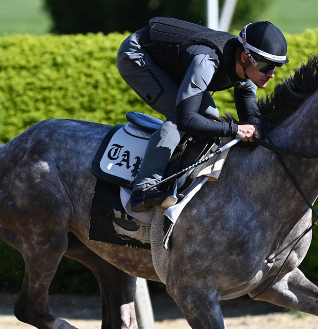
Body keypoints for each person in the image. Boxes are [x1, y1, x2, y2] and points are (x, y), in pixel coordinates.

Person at [117, 18, 288, 212]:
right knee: (179, 117)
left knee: (210, 117)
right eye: (266, 66)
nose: (271, 74)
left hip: (172, 61)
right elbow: (187, 118)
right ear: (243, 57)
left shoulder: (246, 66)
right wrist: (234, 129)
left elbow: (250, 117)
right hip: (137, 54)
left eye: (275, 67)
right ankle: (144, 188)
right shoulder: (206, 62)